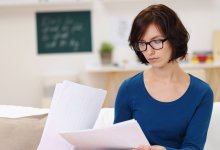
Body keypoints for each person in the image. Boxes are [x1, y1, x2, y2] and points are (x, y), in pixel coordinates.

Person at [114, 4, 213, 150]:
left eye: (156, 41)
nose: (149, 51)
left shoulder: (202, 93)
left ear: (174, 38)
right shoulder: (128, 88)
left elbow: (193, 147)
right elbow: (116, 142)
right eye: (142, 43)